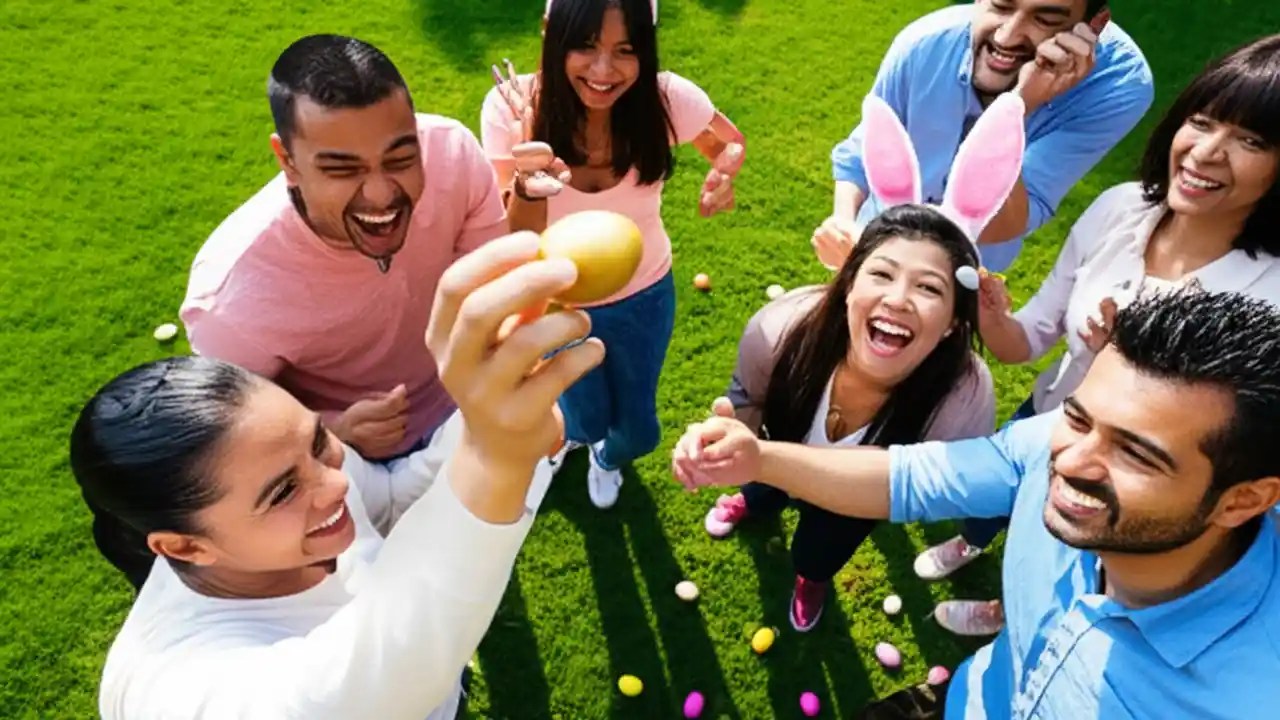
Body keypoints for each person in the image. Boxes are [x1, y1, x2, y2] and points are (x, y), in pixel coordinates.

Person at [673, 288, 1280, 720]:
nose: (1068, 464)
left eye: (1138, 455)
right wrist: (759, 461)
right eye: (1077, 418)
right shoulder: (1048, 447)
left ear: (1245, 500)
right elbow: (910, 477)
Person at [78, 232, 603, 719]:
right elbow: (351, 693)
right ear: (185, 548)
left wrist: (477, 419)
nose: (337, 484)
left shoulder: (307, 482)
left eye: (317, 441)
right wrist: (495, 458)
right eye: (282, 492)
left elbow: (392, 504)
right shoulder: (173, 689)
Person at [913, 33, 1280, 637]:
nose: (1206, 153)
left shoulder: (1265, 299)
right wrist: (993, 316)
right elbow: (1027, 341)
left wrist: (1128, 364)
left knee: (1075, 565)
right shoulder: (1120, 208)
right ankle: (971, 540)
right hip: (1046, 416)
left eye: (1251, 140)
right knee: (1005, 501)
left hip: (1134, 480)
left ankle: (1011, 612)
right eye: (1203, 121)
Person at [180, 34, 511, 463]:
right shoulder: (228, 298)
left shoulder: (452, 151)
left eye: (400, 159)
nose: (379, 195)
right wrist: (329, 431)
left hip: (471, 402)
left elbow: (490, 283)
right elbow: (237, 427)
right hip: (352, 463)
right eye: (341, 169)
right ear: (287, 160)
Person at [480, 0, 745, 509]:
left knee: (639, 431)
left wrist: (724, 175)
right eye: (584, 45)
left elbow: (728, 143)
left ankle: (606, 458)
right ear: (550, 33)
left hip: (643, 294)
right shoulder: (513, 109)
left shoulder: (667, 99)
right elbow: (514, 239)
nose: (603, 71)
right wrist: (527, 187)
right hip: (555, 300)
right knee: (584, 416)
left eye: (624, 50)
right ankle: (574, 438)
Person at [700, 204, 995, 632]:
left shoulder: (962, 399)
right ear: (848, 284)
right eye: (882, 274)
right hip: (773, 447)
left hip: (856, 500)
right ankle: (752, 504)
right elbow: (746, 398)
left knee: (819, 551)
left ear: (952, 323)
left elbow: (936, 488)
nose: (897, 299)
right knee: (762, 488)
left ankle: (811, 579)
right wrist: (728, 442)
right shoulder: (781, 327)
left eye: (929, 288)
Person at [811, 0, 1154, 274]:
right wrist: (843, 222)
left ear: (1094, 26)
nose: (1007, 36)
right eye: (1001, 5)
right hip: (873, 241)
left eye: (1045, 19)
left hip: (967, 265)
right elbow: (864, 150)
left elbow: (1008, 221)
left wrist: (1020, 104)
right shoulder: (924, 42)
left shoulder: (1119, 88)